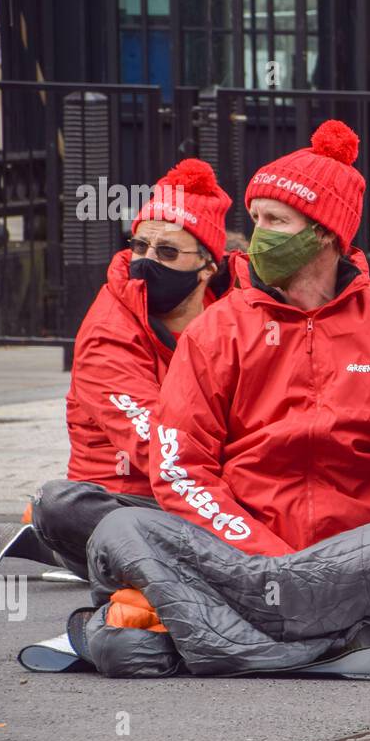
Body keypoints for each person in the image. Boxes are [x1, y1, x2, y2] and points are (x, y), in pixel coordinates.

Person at [84, 120, 370, 679]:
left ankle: (233, 643)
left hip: (352, 560)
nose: (257, 237)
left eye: (276, 221)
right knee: (119, 531)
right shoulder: (219, 329)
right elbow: (181, 470)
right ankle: (333, 648)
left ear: (323, 232)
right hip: (244, 560)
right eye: (256, 221)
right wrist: (261, 553)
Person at [19, 160, 232, 578]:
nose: (146, 261)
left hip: (216, 490)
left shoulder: (236, 309)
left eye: (167, 251)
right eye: (139, 246)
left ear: (208, 267)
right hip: (136, 497)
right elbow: (156, 446)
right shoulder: (107, 331)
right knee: (60, 504)